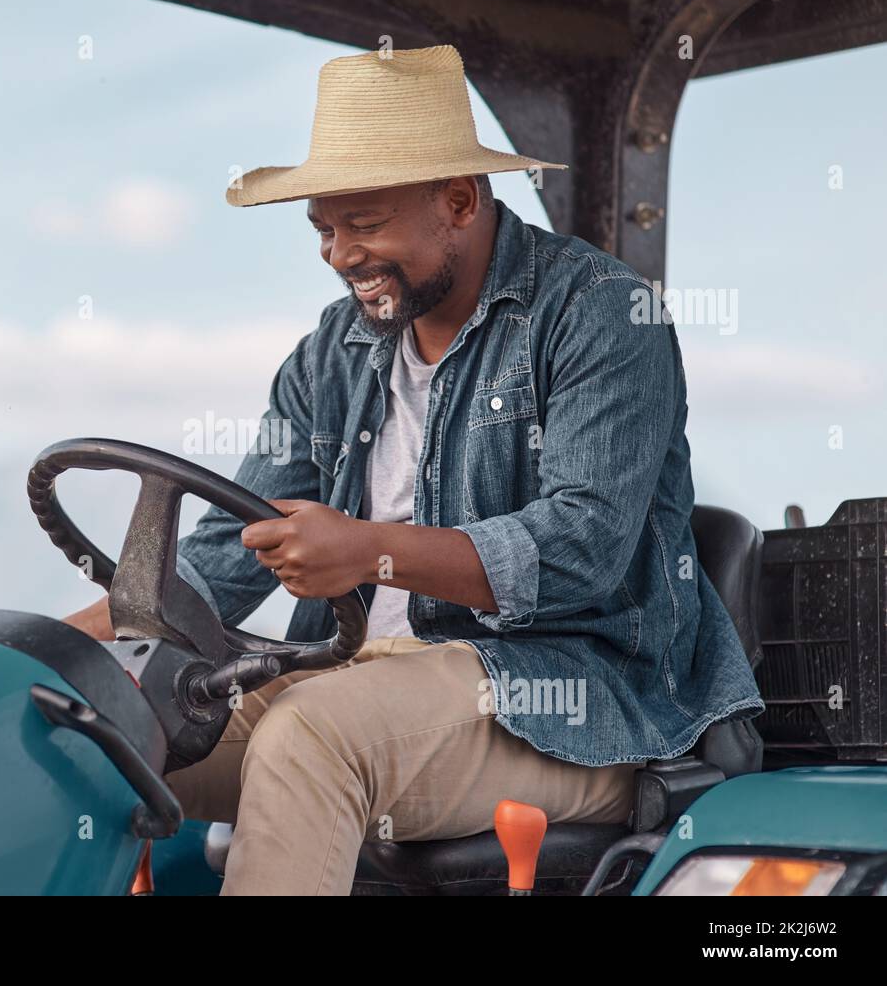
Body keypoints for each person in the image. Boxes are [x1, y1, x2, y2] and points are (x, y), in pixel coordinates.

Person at [63, 44, 762, 895]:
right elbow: (221, 558)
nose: (339, 254)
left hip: (571, 701)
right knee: (92, 734)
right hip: (355, 678)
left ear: (459, 201)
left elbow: (583, 548)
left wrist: (369, 551)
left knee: (311, 736)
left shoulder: (602, 314)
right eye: (324, 229)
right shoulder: (332, 350)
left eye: (364, 224)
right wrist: (47, 647)